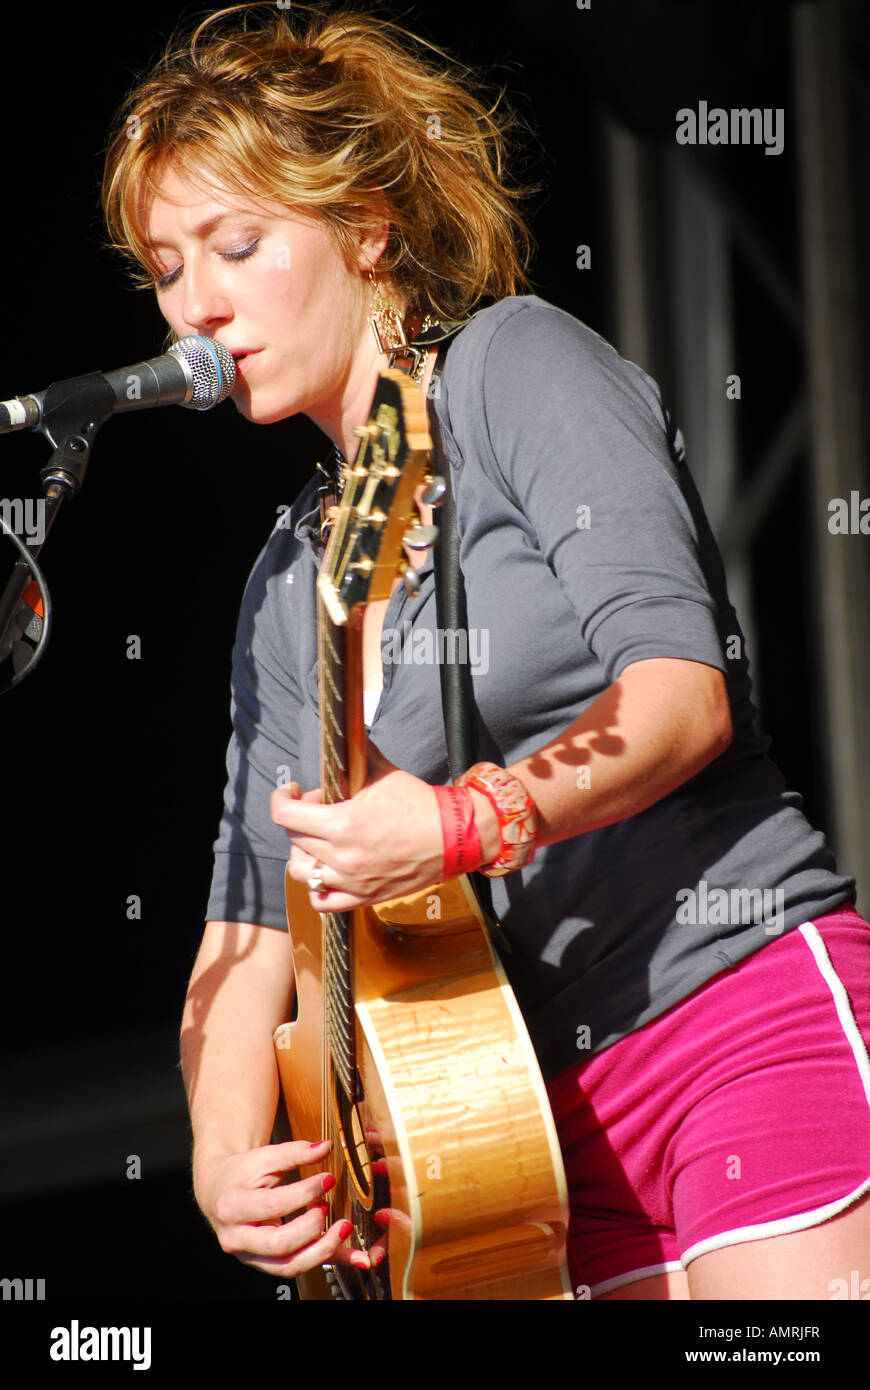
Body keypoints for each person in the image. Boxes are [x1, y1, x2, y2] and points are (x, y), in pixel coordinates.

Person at [101, 1, 870, 1300]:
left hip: (728, 1017)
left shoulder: (515, 367)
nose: (200, 309)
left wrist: (467, 818)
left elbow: (679, 700)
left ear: (368, 227)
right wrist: (221, 1156)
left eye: (237, 246)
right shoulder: (288, 580)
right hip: (514, 1137)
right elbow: (244, 933)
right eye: (170, 269)